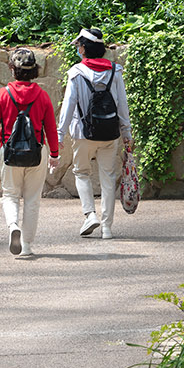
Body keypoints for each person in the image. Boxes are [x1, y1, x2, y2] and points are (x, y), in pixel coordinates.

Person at [57, 27, 132, 240]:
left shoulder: (76, 73)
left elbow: (69, 105)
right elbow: (122, 104)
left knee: (82, 172)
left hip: (83, 133)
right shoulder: (115, 71)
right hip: (110, 133)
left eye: (79, 46)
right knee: (108, 178)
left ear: (84, 48)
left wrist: (60, 134)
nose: (78, 49)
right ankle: (107, 228)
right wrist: (126, 131)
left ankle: (90, 215)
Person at [0, 47, 60, 260]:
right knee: (32, 199)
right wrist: (54, 154)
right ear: (33, 70)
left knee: (10, 194)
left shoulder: (3, 94)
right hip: (36, 152)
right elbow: (51, 128)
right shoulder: (42, 96)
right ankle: (26, 245)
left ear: (12, 69)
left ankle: (12, 226)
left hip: (10, 153)